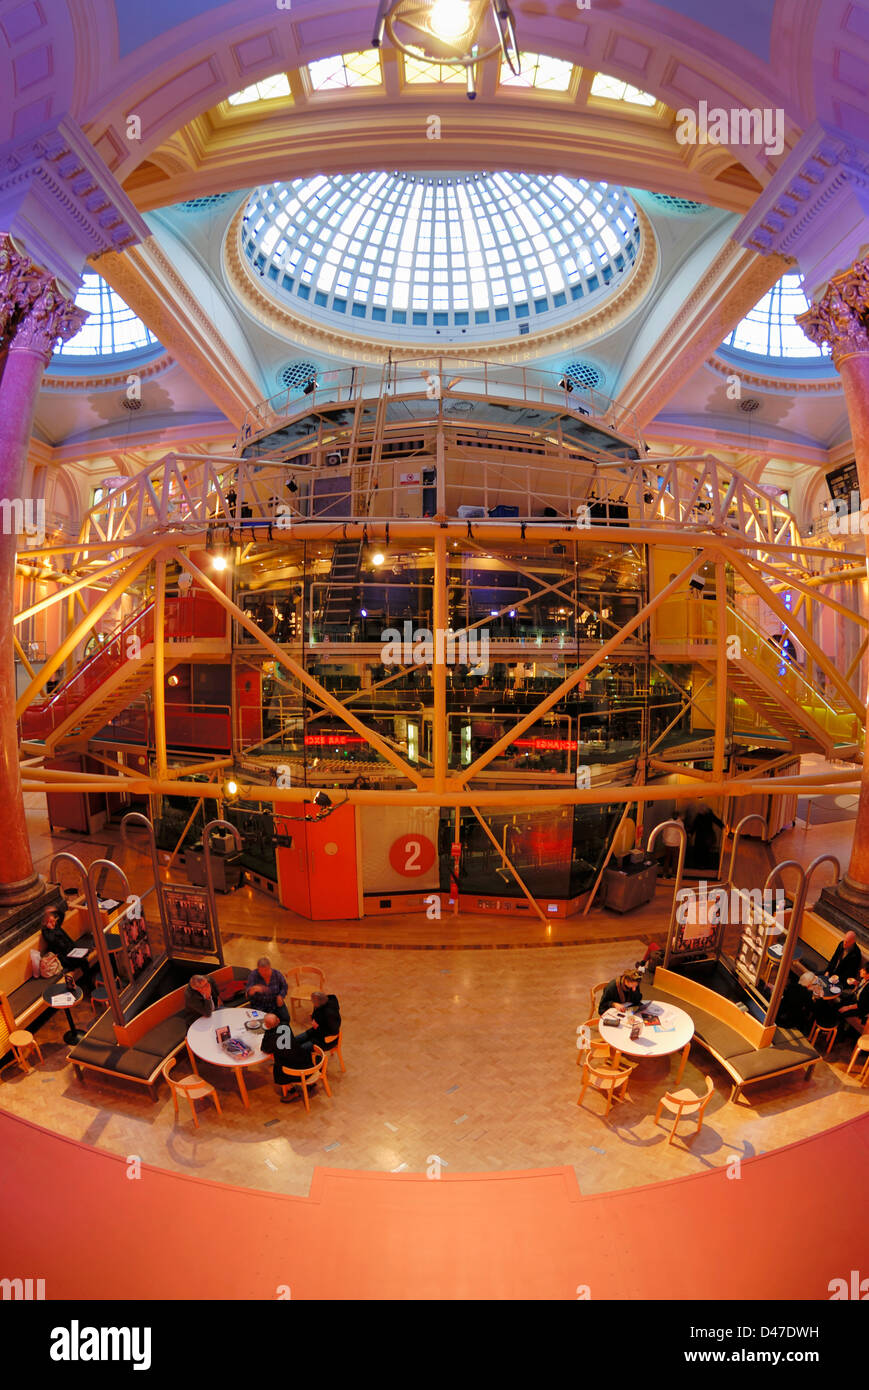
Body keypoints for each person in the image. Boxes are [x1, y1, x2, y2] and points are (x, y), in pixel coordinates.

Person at [260, 1013, 317, 1102]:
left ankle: (292, 1091)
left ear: (267, 1025)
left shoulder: (271, 1037)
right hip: (307, 1063)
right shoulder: (286, 1026)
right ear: (278, 1020)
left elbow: (264, 1049)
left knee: (276, 1069)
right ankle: (309, 1084)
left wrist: (267, 1032)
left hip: (297, 1072)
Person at [42, 904, 95, 996]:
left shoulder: (56, 926)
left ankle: (89, 983)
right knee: (83, 961)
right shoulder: (46, 932)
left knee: (84, 957)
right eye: (51, 920)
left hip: (72, 950)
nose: (54, 921)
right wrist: (51, 929)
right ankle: (90, 986)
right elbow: (52, 940)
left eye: (54, 919)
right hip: (65, 956)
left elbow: (62, 915)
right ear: (47, 922)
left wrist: (55, 909)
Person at [295, 991, 341, 1059]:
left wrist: (317, 1027)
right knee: (294, 1040)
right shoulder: (322, 1004)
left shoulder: (329, 1014)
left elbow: (333, 1031)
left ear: (319, 1002)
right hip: (315, 1032)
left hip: (325, 1040)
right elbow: (317, 1016)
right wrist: (314, 1019)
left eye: (313, 1001)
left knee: (301, 1049)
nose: (311, 1001)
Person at [246, 957, 290, 1022]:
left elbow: (284, 986)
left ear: (270, 968)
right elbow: (248, 993)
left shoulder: (277, 974)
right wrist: (251, 990)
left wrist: (281, 996)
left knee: (286, 1018)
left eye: (266, 970)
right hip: (259, 1006)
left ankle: (280, 1031)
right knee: (260, 1023)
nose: (264, 973)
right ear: (258, 970)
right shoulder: (253, 975)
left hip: (275, 1004)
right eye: (261, 971)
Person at [660, 813, 683, 878]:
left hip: (667, 844)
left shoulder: (667, 822)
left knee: (667, 859)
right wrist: (681, 844)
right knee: (675, 860)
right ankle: (674, 874)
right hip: (676, 844)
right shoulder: (680, 824)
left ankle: (665, 873)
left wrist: (664, 841)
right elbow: (681, 835)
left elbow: (664, 833)